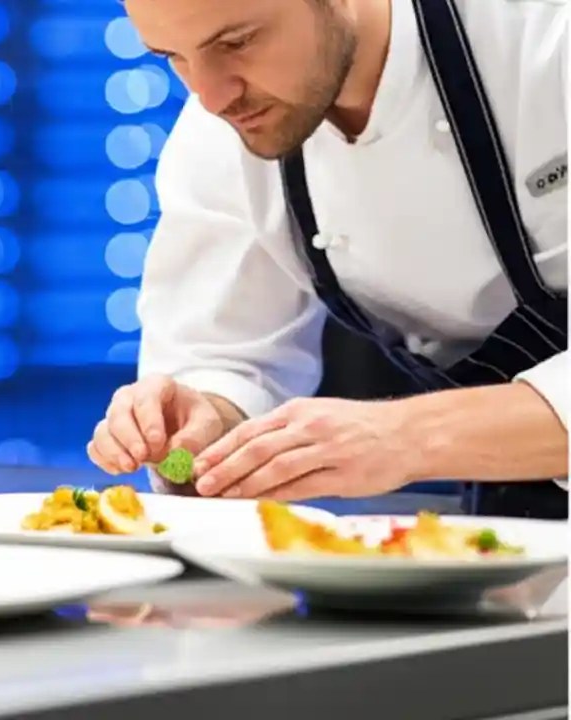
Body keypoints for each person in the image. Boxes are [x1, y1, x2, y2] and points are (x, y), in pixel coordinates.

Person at [88, 0, 569, 518]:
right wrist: (202, 421)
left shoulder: (546, 36)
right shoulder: (222, 139)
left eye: (237, 42)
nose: (210, 98)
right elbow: (226, 359)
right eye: (171, 57)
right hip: (517, 534)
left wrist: (405, 436)